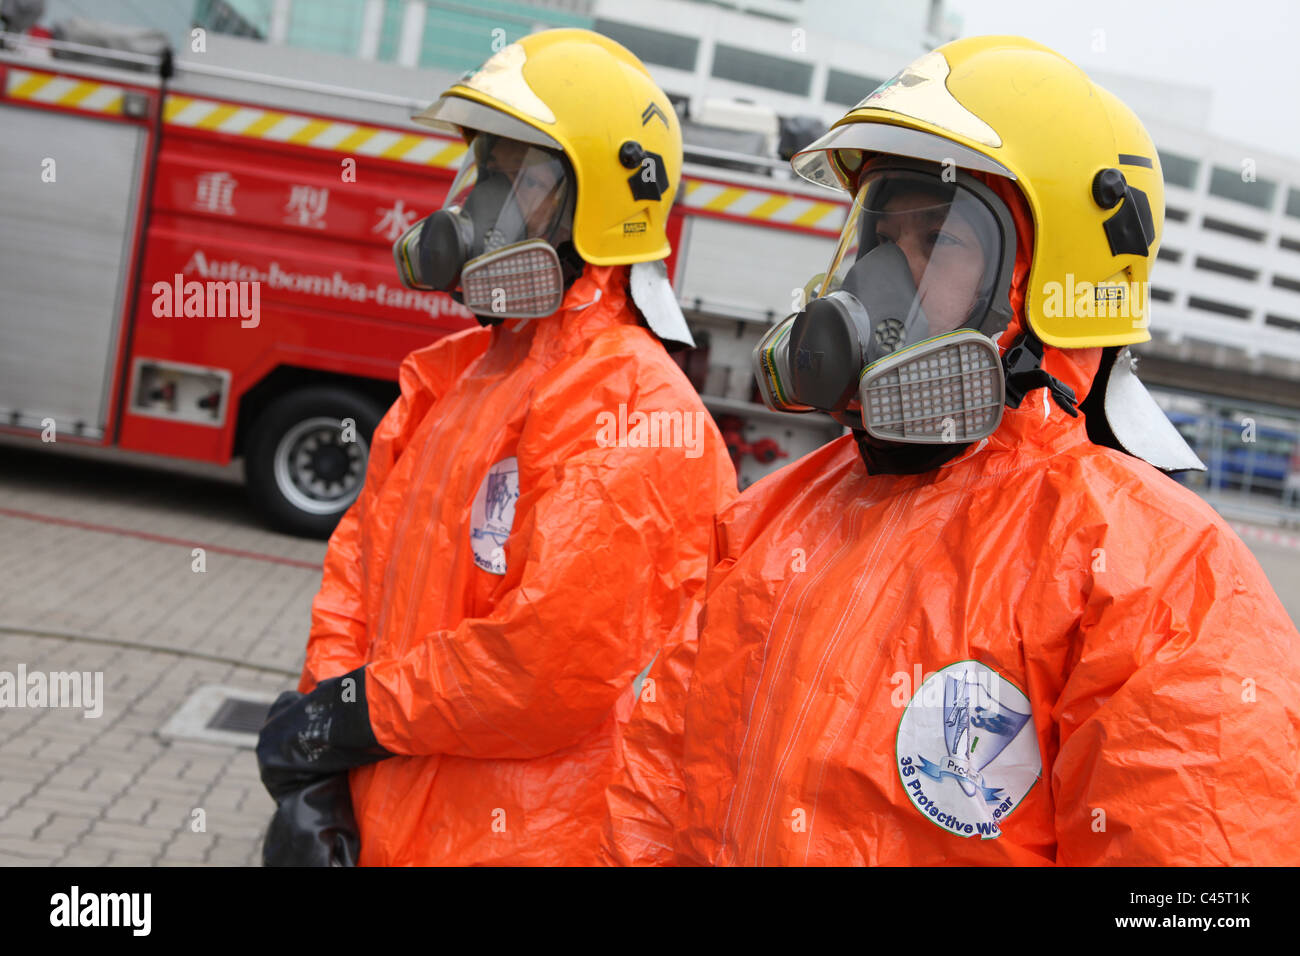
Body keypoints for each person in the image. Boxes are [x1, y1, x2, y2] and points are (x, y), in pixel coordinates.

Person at [603, 35, 1300, 866]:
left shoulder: (1160, 578)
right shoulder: (774, 517)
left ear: (1044, 280)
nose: (880, 282)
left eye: (938, 241)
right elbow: (656, 780)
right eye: (880, 237)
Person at [256, 28, 736, 866]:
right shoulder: (455, 380)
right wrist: (321, 767)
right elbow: (357, 574)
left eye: (519, 179)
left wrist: (351, 718)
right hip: (385, 819)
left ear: (596, 205)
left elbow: (547, 664)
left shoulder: (637, 410)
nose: (480, 206)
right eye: (486, 169)